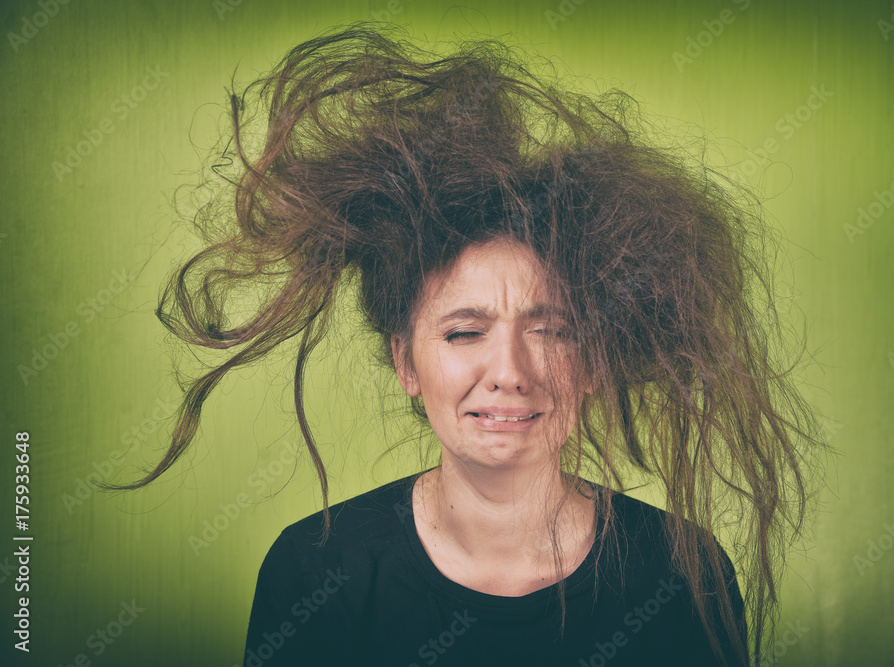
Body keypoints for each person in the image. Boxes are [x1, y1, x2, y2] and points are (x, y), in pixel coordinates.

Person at [112, 22, 826, 666]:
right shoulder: (315, 570)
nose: (509, 372)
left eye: (552, 331)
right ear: (405, 362)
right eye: (463, 332)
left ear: (594, 361)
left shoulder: (681, 574)